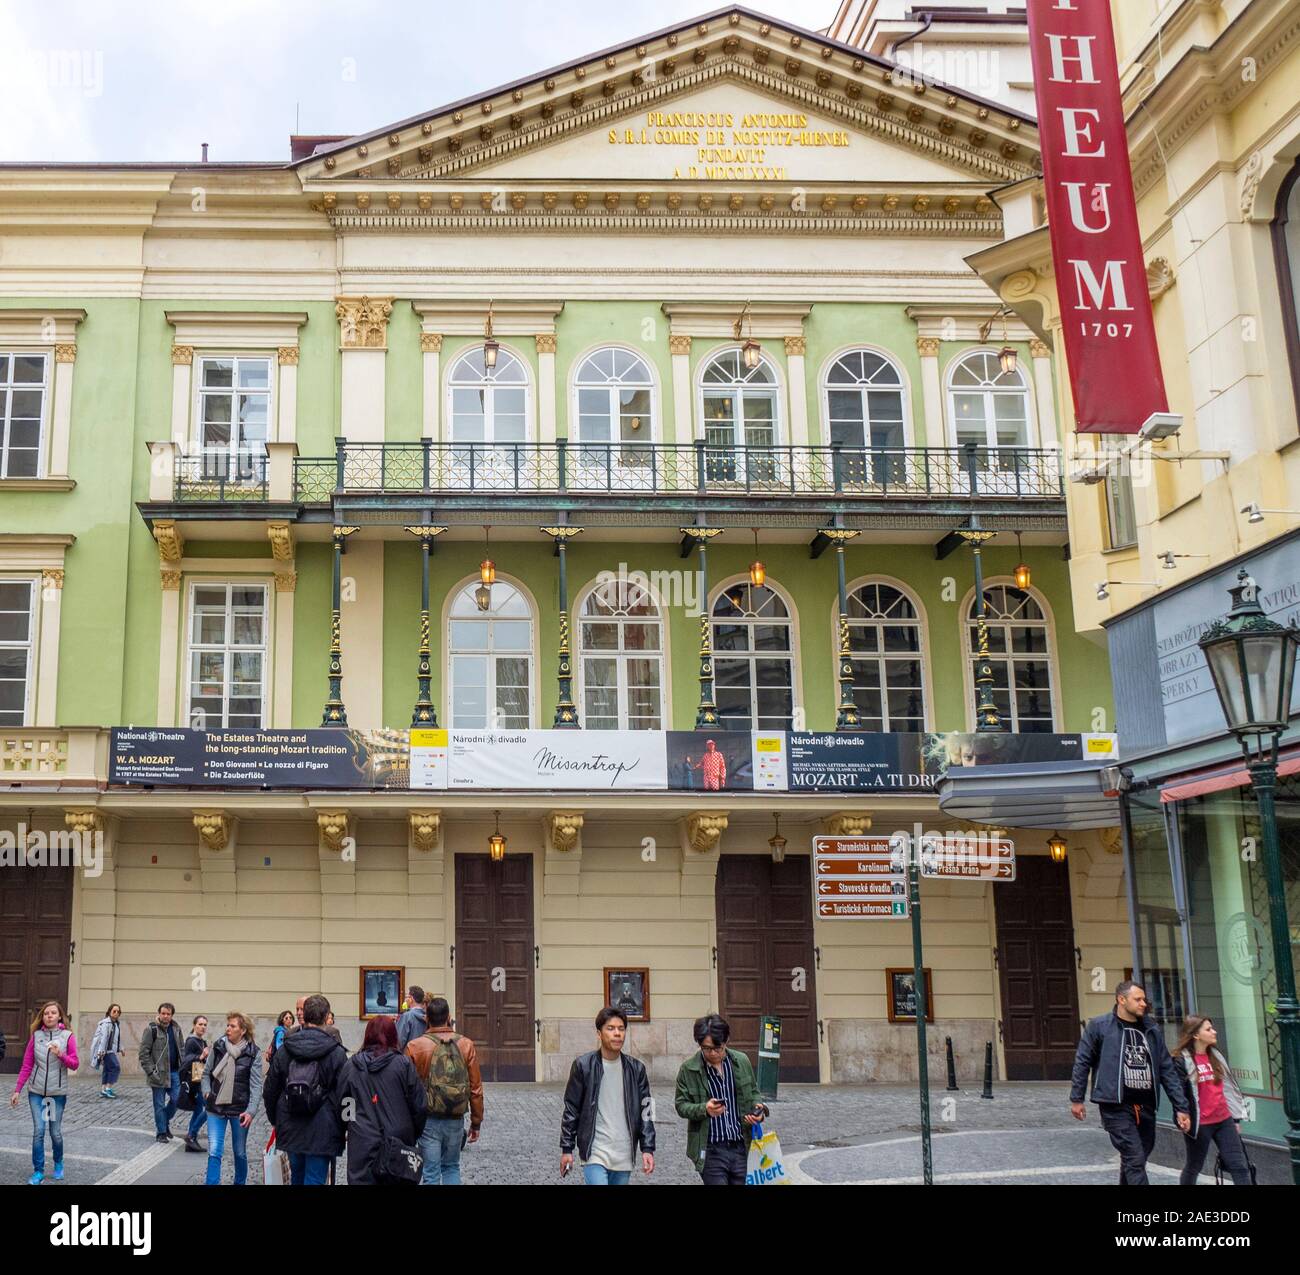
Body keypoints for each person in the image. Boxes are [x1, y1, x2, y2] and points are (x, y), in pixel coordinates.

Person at [1070, 980, 1191, 1185]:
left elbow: (1166, 1069)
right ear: (1122, 1000)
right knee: (1134, 1157)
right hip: (1115, 1105)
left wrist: (1181, 1107)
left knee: (1137, 1158)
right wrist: (1077, 1098)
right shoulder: (1099, 1026)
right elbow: (1082, 1062)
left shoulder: (1151, 1029)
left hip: (1146, 1105)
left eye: (1144, 999)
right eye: (1138, 999)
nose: (1144, 1003)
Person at [560, 1007, 655, 1185]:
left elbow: (647, 1111)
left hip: (624, 1150)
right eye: (610, 1028)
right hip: (595, 1149)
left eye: (621, 1028)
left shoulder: (637, 1069)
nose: (617, 1034)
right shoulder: (583, 1066)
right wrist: (567, 1148)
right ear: (599, 1033)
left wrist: (648, 1148)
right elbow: (571, 1108)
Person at [263, 993, 348, 1185]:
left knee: (297, 1176)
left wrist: (275, 1119)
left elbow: (270, 1089)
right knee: (315, 1179)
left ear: (304, 1015)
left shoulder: (285, 1049)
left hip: (290, 1120)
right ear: (327, 1017)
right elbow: (346, 1093)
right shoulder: (336, 1052)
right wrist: (345, 1125)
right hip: (323, 1126)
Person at [674, 1013, 768, 1184]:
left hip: (741, 1145)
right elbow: (681, 1105)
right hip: (710, 1149)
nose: (713, 1053)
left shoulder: (741, 1061)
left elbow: (754, 1092)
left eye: (718, 1048)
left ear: (726, 1041)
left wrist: (758, 1110)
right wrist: (704, 1109)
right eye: (706, 1048)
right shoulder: (689, 1069)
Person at [336, 1015, 427, 1186]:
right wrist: (412, 1132)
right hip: (398, 1138)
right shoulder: (403, 1065)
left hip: (362, 1141)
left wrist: (348, 1128)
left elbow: (344, 1103)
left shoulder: (352, 1066)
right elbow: (420, 1105)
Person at [406, 996, 483, 1185]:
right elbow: (476, 1088)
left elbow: (407, 1089)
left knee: (431, 1173)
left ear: (426, 1018)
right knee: (451, 1167)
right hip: (455, 1116)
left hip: (428, 1118)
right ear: (449, 1017)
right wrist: (476, 1122)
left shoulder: (415, 1046)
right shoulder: (466, 1045)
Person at [1175, 1015, 1253, 1186]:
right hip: (1200, 1123)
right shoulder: (1182, 1060)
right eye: (1208, 1029)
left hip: (1224, 1120)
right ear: (1196, 1035)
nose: (1214, 1032)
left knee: (1239, 1166)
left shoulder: (1216, 1055)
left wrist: (1235, 1118)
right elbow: (1178, 1093)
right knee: (1194, 1166)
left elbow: (1228, 1088)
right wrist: (1183, 1115)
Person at [10, 1000, 79, 1184]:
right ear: (42, 1017)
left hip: (56, 1093)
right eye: (46, 1013)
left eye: (53, 1013)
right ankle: (38, 1171)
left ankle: (58, 1162)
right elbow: (27, 1065)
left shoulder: (67, 1036)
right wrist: (17, 1090)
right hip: (36, 1091)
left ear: (59, 1016)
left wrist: (60, 1055)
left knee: (55, 1132)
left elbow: (75, 1064)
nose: (49, 1016)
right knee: (39, 1131)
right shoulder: (37, 1036)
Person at [201, 1012, 262, 1186]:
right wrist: (206, 1092)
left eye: (232, 1026)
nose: (228, 1028)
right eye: (227, 1025)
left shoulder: (253, 1053)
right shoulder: (218, 1047)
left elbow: (257, 1085)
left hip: (240, 1110)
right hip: (216, 1108)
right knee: (214, 1150)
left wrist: (251, 1111)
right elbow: (206, 1074)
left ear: (242, 1030)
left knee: (240, 1152)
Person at [139, 1001, 186, 1144]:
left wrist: (183, 1068)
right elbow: (143, 1054)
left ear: (172, 1015)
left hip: (174, 1072)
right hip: (158, 1073)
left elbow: (182, 1049)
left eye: (168, 1014)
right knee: (159, 1104)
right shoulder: (151, 1029)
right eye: (163, 1013)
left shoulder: (176, 1029)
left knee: (177, 1099)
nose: (165, 1016)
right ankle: (161, 1132)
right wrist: (151, 1072)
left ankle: (164, 1121)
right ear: (159, 1014)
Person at [178, 1015, 211, 1152]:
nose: (203, 1027)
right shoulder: (192, 1041)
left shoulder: (202, 1041)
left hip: (199, 1080)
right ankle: (191, 1135)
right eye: (200, 1024)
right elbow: (186, 1060)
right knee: (209, 1108)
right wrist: (201, 1056)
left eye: (205, 1025)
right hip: (194, 1080)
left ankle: (191, 1139)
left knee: (198, 1110)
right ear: (194, 1025)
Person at [89, 1003, 122, 1099]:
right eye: (114, 1011)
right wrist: (101, 1051)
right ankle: (108, 1088)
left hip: (111, 1050)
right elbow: (103, 1038)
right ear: (109, 1012)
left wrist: (121, 1048)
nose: (116, 1013)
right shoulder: (106, 1023)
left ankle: (103, 1090)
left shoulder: (115, 1024)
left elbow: (117, 1038)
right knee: (116, 1067)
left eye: (118, 1011)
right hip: (106, 1051)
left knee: (107, 1070)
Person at [396, 986, 428, 1051]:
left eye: (407, 997)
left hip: (408, 1057)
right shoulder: (427, 1016)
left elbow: (399, 1042)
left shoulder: (406, 1017)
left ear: (411, 998)